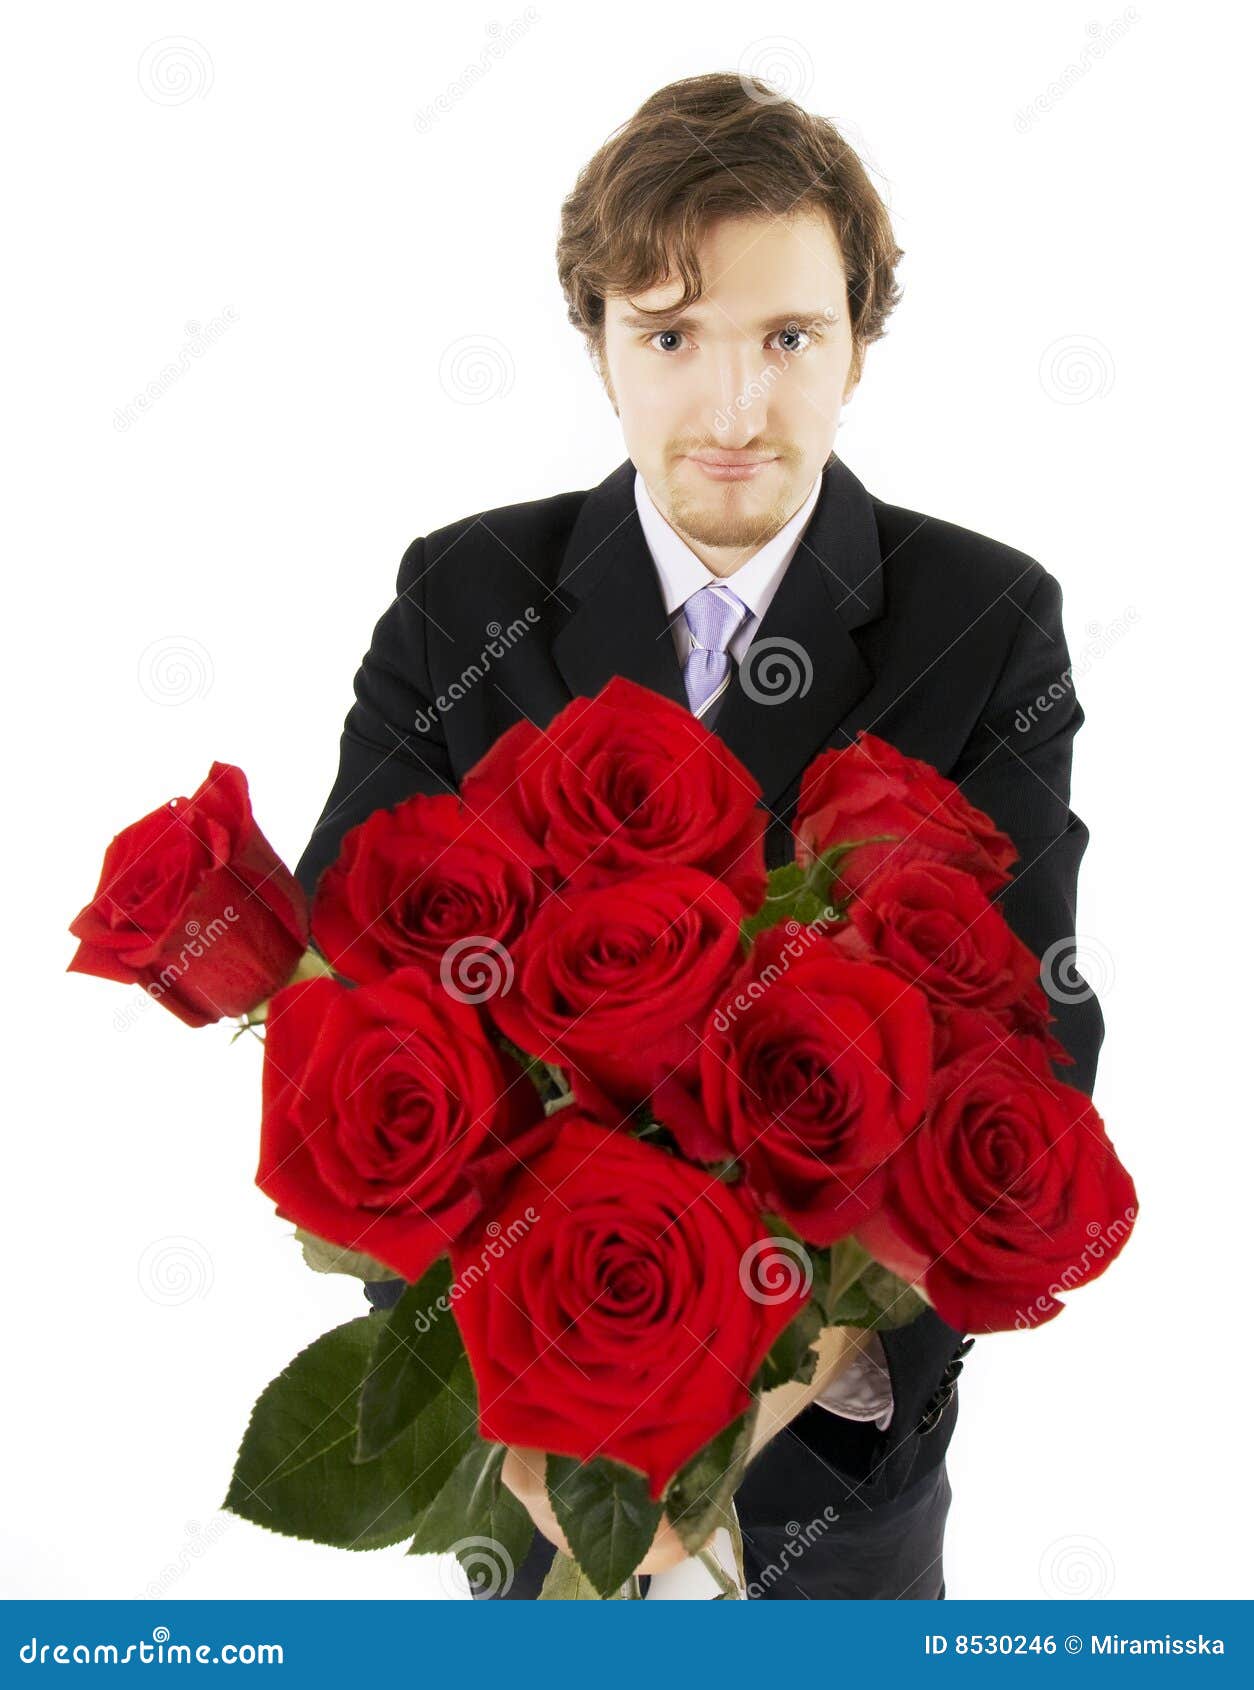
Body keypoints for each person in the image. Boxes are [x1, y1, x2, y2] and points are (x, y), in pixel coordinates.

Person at [293, 72, 1103, 1600]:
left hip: (823, 1476)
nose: (733, 410)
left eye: (788, 338)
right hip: (529, 1453)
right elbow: (349, 989)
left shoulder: (981, 618)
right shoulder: (465, 596)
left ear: (860, 341)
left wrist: (744, 1404)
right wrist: (555, 1405)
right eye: (669, 337)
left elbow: (1028, 1023)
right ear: (598, 344)